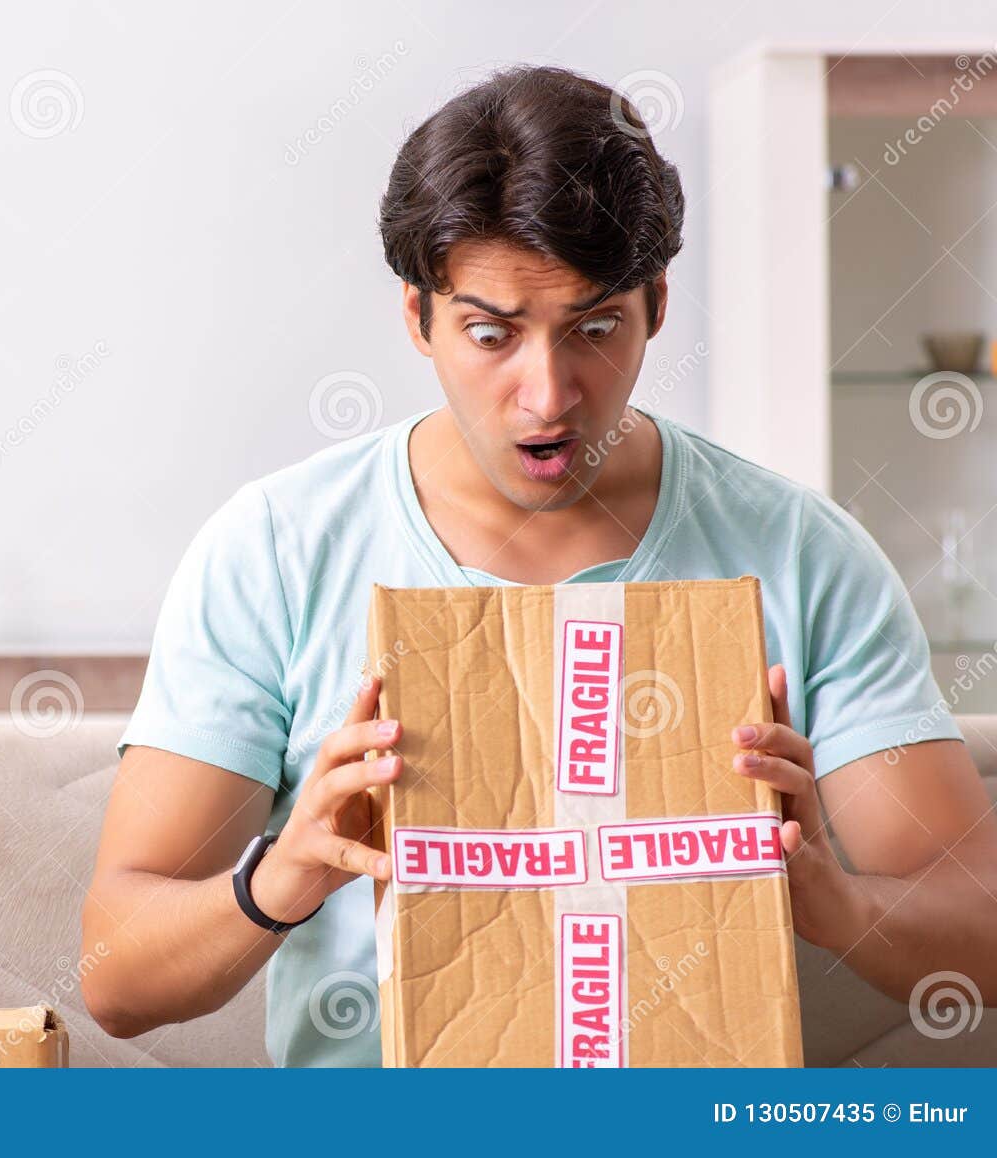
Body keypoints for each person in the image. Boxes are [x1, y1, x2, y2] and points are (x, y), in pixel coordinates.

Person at [80, 64, 997, 1066]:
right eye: (490, 334)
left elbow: (981, 937)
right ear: (416, 317)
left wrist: (836, 902)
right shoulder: (274, 552)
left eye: (593, 328)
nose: (546, 395)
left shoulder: (801, 557)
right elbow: (113, 981)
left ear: (653, 307)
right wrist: (283, 874)